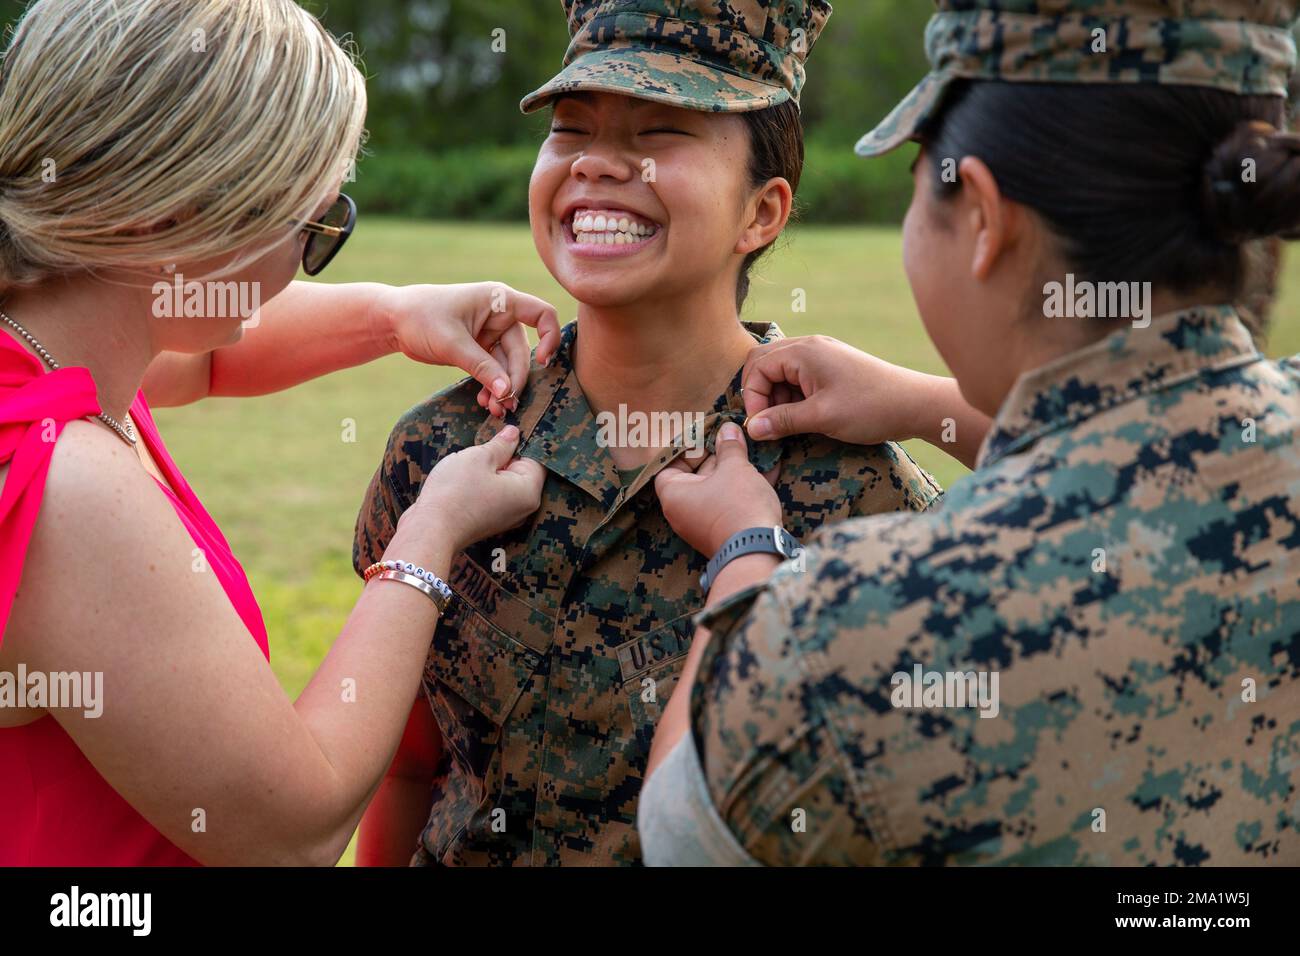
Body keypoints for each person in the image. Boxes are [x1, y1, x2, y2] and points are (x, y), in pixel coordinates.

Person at [638, 0, 1300, 865]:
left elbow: (679, 837)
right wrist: (927, 404)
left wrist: (745, 550)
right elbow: (1161, 463)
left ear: (983, 217)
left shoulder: (846, 633)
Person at [352, 0, 944, 867]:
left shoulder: (856, 494)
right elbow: (408, 770)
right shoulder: (443, 450)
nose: (596, 162)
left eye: (660, 133)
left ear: (762, 213)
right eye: (571, 128)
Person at [0, 0, 558, 866]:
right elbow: (293, 829)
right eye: (313, 228)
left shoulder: (49, 353)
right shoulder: (64, 487)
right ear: (173, 218)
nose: (310, 252)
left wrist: (394, 314)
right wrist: (429, 535)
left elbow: (212, 356)